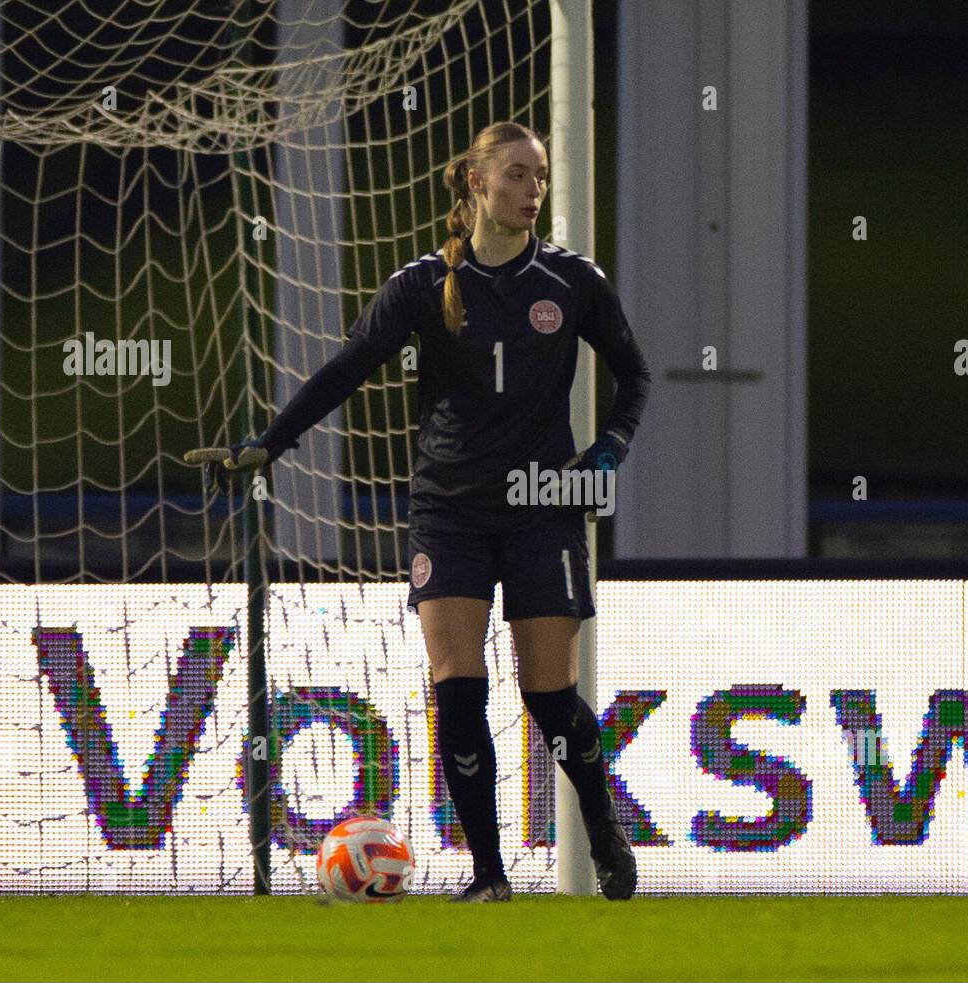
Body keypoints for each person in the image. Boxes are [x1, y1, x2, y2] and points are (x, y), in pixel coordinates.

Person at [209, 120, 650, 902]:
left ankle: (606, 829)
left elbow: (634, 374)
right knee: (458, 686)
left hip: (543, 506)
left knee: (550, 697)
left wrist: (609, 447)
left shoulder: (573, 281)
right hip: (449, 511)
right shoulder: (421, 286)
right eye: (516, 175)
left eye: (539, 176)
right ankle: (489, 875)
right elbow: (345, 371)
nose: (532, 190)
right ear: (477, 184)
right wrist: (269, 444)